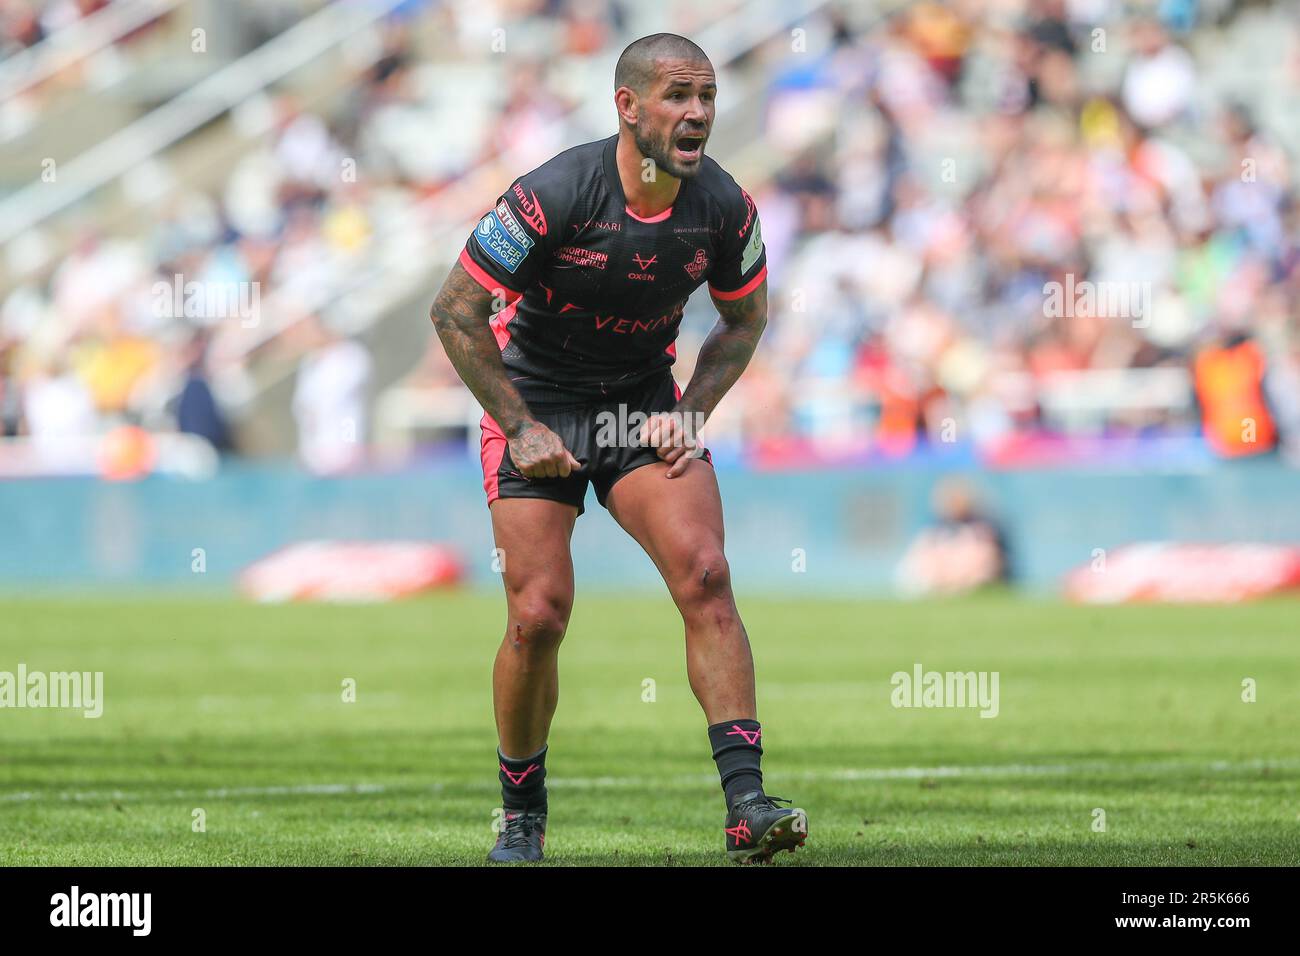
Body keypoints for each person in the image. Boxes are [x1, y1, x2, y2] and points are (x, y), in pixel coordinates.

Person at [428, 33, 807, 863]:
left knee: (706, 574)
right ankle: (522, 815)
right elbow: (455, 310)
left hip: (640, 409)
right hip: (538, 406)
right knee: (537, 616)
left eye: (706, 95)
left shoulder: (726, 208)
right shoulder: (553, 192)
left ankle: (747, 804)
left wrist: (696, 407)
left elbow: (746, 321)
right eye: (677, 95)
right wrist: (520, 424)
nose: (698, 112)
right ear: (627, 106)